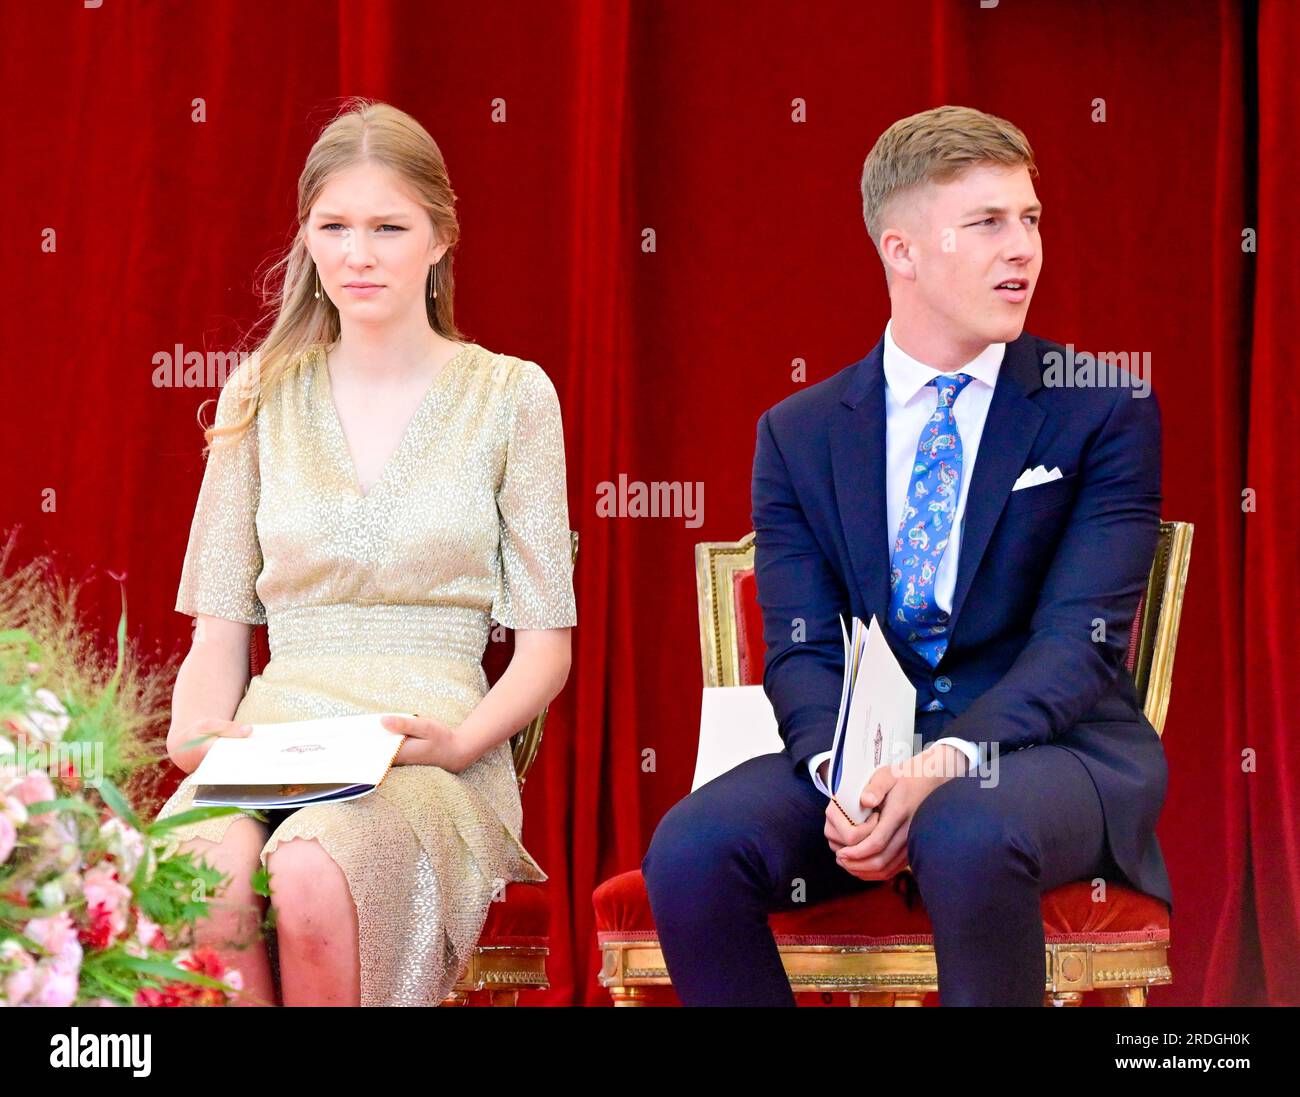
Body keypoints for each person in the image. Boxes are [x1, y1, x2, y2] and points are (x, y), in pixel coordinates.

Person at [642, 105, 1171, 1006]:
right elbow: (802, 647)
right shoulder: (799, 433)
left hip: (1049, 752)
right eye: (988, 223)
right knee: (690, 850)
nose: (1024, 250)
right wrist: (841, 779)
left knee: (963, 826)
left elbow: (1075, 647)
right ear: (902, 250)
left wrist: (948, 760)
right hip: (873, 755)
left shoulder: (1103, 409)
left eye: (1030, 220)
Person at [154, 98, 576, 1007]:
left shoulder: (512, 397)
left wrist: (462, 741)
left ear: (439, 239)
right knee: (196, 874)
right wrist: (195, 739)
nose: (358, 253)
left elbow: (547, 647)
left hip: (427, 749)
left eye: (388, 226)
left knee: (311, 870)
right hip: (272, 735)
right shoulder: (258, 393)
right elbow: (216, 640)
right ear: (306, 238)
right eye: (333, 226)